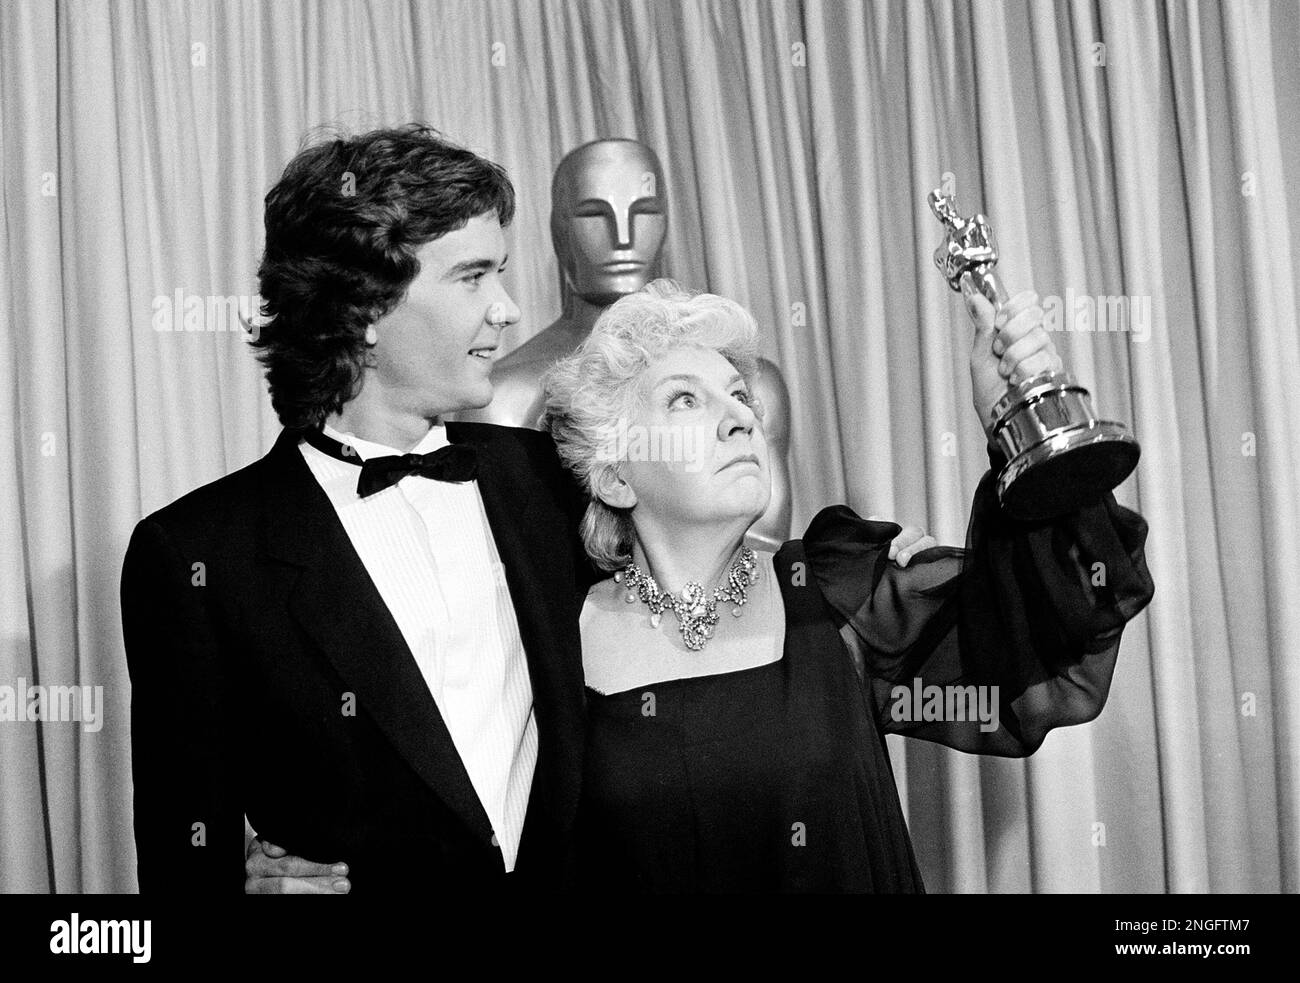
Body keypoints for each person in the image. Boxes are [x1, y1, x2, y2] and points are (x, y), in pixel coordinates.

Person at [532, 278, 1154, 892]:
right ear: (615, 477)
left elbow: (1043, 662)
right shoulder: (551, 642)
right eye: (684, 400)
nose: (741, 420)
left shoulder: (839, 599)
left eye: (740, 395)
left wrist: (1019, 417)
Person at [121, 125, 594, 894]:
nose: (508, 310)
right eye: (473, 277)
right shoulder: (198, 554)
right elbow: (182, 858)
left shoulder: (552, 477)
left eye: (500, 273)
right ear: (364, 310)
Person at [456, 138, 795, 549]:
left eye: (645, 211)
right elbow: (508, 560)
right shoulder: (504, 395)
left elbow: (763, 542)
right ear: (559, 229)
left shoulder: (753, 381)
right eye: (594, 215)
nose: (622, 237)